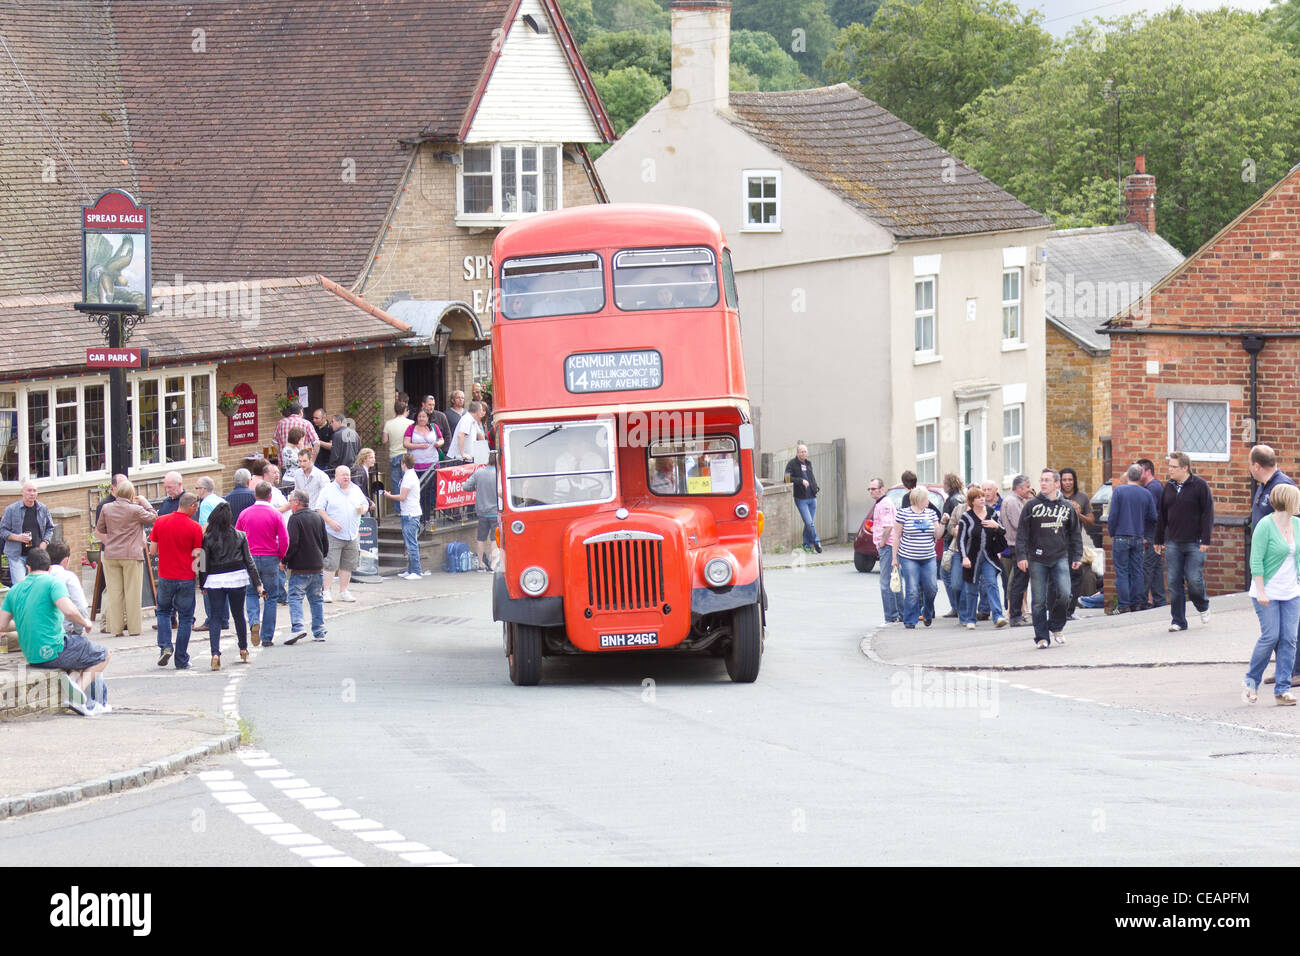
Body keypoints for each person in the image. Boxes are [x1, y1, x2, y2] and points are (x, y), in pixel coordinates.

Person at [0, 548, 104, 716]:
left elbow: (2, 625)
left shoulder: (14, 590)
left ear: (27, 568)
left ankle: (76, 687)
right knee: (102, 654)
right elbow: (68, 610)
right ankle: (77, 691)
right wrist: (84, 622)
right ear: (49, 568)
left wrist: (23, 619)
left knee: (81, 655)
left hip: (32, 655)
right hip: (54, 649)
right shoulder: (53, 583)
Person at [1243, 483, 1300, 706]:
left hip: (1292, 591)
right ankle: (1251, 682)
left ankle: (1282, 689)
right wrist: (1261, 590)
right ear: (1287, 501)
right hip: (1266, 591)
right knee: (1270, 637)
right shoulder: (1265, 526)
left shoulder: (1297, 524)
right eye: (1296, 499)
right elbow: (1255, 560)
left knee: (1289, 639)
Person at [1016, 469, 1082, 649]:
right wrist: (1021, 556)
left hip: (1060, 556)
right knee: (1038, 601)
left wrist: (1077, 555)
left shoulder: (1066, 506)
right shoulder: (1031, 506)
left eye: (1047, 480)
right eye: (1041, 480)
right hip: (1037, 558)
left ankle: (1056, 625)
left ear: (1056, 484)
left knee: (1065, 594)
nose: (1043, 483)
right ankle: (1041, 637)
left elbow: (1075, 533)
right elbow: (1022, 533)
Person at [1154, 451, 1215, 633]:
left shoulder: (1200, 486)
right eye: (1169, 466)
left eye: (1174, 467)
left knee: (1194, 579)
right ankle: (1178, 620)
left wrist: (1206, 539)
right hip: (1173, 542)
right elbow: (1162, 515)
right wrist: (1158, 539)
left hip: (1195, 542)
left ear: (1185, 468)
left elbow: (1208, 513)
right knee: (1173, 581)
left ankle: (1202, 605)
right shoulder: (1169, 487)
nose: (1170, 470)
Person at [198, 501, 262, 670]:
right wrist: (258, 584)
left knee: (215, 618)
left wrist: (202, 584)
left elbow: (203, 564)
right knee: (238, 615)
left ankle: (215, 654)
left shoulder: (207, 538)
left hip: (214, 579)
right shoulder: (240, 536)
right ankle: (243, 649)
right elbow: (249, 562)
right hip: (237, 577)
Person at [95, 479, 157, 638]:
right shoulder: (135, 509)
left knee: (115, 593)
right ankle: (134, 629)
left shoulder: (106, 508)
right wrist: (145, 502)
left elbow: (100, 528)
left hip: (111, 555)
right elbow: (154, 517)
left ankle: (116, 629)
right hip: (131, 555)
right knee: (132, 593)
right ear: (131, 494)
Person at [148, 491, 202, 669]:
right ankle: (181, 659)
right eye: (196, 508)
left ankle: (165, 646)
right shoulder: (195, 527)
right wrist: (201, 580)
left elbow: (153, 550)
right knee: (186, 618)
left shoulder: (161, 521)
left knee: (163, 612)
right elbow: (198, 556)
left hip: (165, 576)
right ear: (192, 506)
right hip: (186, 577)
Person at [235, 481, 288, 648]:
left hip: (249, 558)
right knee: (271, 597)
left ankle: (254, 620)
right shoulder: (275, 514)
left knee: (251, 593)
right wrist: (280, 556)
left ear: (255, 495)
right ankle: (266, 637)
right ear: (270, 496)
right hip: (270, 557)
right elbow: (285, 540)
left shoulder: (244, 514)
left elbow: (237, 536)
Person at [955, 485, 1009, 629]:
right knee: (971, 588)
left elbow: (1003, 531)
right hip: (972, 558)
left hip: (989, 556)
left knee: (991, 583)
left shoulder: (992, 513)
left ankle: (998, 616)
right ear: (971, 501)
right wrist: (964, 557)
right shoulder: (966, 518)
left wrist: (995, 525)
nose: (982, 499)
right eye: (978, 497)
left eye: (983, 496)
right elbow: (961, 539)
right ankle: (971, 618)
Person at [1107, 463, 1158, 614]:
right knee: (1137, 570)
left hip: (1121, 536)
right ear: (1141, 476)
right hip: (1138, 537)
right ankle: (1137, 602)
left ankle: (1123, 605)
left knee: (1122, 572)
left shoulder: (1119, 491)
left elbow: (1113, 515)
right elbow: (1153, 517)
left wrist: (1112, 533)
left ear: (1128, 475)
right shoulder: (1146, 493)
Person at [890, 486, 944, 629]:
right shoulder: (903, 514)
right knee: (912, 590)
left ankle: (927, 612)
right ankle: (910, 619)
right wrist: (894, 558)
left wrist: (943, 523)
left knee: (932, 588)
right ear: (919, 500)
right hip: (908, 557)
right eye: (926, 499)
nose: (928, 501)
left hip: (929, 557)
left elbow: (937, 535)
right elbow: (896, 536)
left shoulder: (932, 514)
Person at [284, 490, 329, 644]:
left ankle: (298, 627)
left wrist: (284, 560)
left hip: (300, 567)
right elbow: (325, 542)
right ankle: (319, 631)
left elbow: (293, 543)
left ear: (297, 502)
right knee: (316, 599)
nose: (289, 504)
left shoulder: (295, 519)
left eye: (290, 501)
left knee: (295, 597)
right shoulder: (317, 517)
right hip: (317, 566)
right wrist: (320, 558)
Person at [317, 466, 367, 603]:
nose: (346, 477)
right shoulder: (327, 490)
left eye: (348, 475)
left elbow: (365, 503)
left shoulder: (356, 489)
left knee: (348, 564)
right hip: (333, 533)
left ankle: (344, 591)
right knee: (330, 564)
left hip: (352, 533)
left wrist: (363, 508)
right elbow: (320, 509)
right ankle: (326, 591)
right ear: (336, 476)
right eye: (343, 475)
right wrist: (330, 521)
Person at [1, 480, 54, 585]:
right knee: (21, 585)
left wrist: (45, 542)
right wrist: (17, 537)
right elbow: (2, 530)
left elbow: (50, 528)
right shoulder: (11, 510)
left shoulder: (42, 508)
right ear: (22, 492)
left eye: (34, 491)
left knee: (37, 585)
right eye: (29, 490)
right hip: (17, 555)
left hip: (36, 555)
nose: (32, 493)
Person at [1058, 468, 1095, 618]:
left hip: (1074, 542)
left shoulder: (1082, 497)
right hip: (1058, 542)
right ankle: (1058, 609)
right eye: (1064, 480)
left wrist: (1077, 513)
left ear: (1074, 481)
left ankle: (1070, 610)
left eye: (1070, 480)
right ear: (1059, 482)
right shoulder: (1056, 497)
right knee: (1059, 577)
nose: (1067, 483)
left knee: (1076, 575)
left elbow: (1091, 520)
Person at [384, 454, 424, 580]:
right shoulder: (409, 475)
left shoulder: (409, 477)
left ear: (404, 464)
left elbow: (402, 497)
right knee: (409, 542)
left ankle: (416, 571)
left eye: (401, 463)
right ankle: (411, 569)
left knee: (411, 543)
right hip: (408, 512)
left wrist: (389, 496)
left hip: (410, 514)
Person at [867, 478, 902, 624]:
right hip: (888, 546)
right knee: (895, 580)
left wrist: (881, 543)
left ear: (882, 489)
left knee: (886, 582)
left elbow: (887, 526)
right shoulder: (880, 504)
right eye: (869, 489)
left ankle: (891, 616)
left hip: (887, 546)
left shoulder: (884, 504)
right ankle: (902, 613)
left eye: (873, 489)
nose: (871, 492)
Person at [1000, 475, 1033, 626]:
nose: (1030, 490)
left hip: (1017, 545)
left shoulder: (1017, 501)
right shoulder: (1012, 502)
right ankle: (1015, 615)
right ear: (1019, 488)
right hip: (1017, 546)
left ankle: (1016, 614)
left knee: (1020, 580)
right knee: (1019, 581)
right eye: (1027, 487)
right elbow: (1019, 525)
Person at [403, 409, 443, 524]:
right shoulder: (411, 428)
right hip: (417, 465)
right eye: (420, 416)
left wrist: (438, 443)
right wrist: (419, 446)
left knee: (428, 490)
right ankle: (419, 516)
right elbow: (405, 443)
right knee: (418, 491)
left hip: (431, 464)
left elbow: (441, 439)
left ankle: (427, 516)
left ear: (428, 418)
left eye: (424, 416)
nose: (421, 419)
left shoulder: (434, 427)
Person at [1137, 458, 1166, 610]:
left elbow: (1152, 513)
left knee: (1146, 567)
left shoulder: (1152, 488)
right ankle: (1160, 601)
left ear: (1147, 471)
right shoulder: (1154, 487)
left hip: (1152, 534)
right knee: (1155, 567)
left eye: (1139, 470)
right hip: (1156, 534)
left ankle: (1140, 602)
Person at [463, 452, 500, 572]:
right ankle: (493, 564)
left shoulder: (479, 472)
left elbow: (466, 487)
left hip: (482, 511)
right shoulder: (498, 474)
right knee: (494, 539)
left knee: (481, 538)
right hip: (495, 511)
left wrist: (477, 487)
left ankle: (480, 564)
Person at [46, 541, 90, 637]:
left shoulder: (38, 577)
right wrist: (79, 630)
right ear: (66, 560)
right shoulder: (69, 577)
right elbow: (80, 606)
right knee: (101, 651)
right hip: (64, 632)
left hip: (40, 632)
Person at [1250, 444, 1296, 530]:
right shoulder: (1264, 484)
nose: (1249, 468)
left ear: (1256, 466)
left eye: (1250, 465)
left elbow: (1295, 524)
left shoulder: (1283, 487)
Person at [785, 444, 821, 553]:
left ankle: (806, 545)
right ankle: (816, 542)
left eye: (805, 452)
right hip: (801, 499)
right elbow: (786, 478)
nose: (803, 453)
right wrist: (800, 481)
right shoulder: (792, 464)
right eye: (801, 452)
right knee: (809, 522)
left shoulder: (808, 463)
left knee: (808, 523)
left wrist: (815, 487)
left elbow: (811, 477)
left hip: (812, 498)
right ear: (797, 453)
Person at [939, 473, 965, 617]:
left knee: (946, 573)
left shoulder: (953, 500)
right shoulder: (960, 497)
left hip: (951, 542)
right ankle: (957, 606)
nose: (943, 485)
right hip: (954, 541)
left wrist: (947, 535)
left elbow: (955, 521)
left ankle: (956, 606)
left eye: (944, 482)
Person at [383, 400, 413, 492]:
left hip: (394, 456)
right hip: (407, 455)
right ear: (405, 409)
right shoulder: (411, 423)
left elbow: (384, 440)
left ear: (394, 410)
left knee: (397, 486)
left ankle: (398, 506)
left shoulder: (388, 423)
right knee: (408, 485)